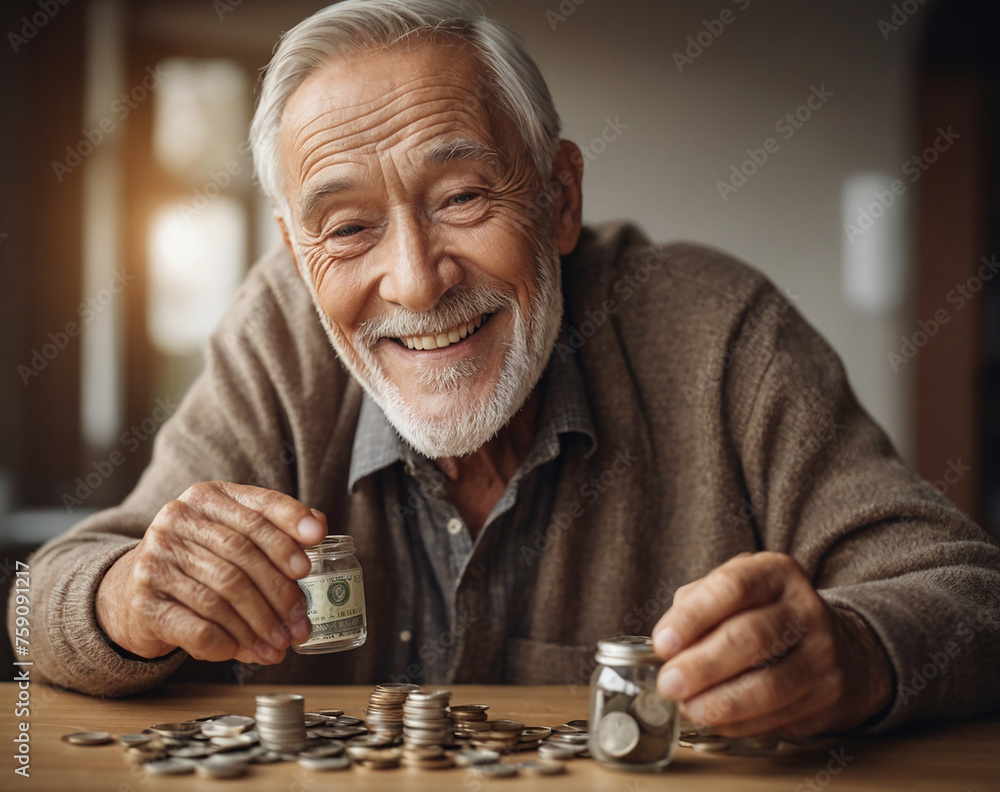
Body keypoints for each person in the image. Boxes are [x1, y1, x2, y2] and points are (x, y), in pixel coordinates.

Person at [11, 0, 999, 741]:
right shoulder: (280, 332)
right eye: (347, 228)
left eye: (463, 196)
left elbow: (970, 597)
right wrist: (131, 600)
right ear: (298, 252)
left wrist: (858, 655)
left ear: (558, 196)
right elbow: (37, 603)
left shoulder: (719, 331)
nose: (412, 281)